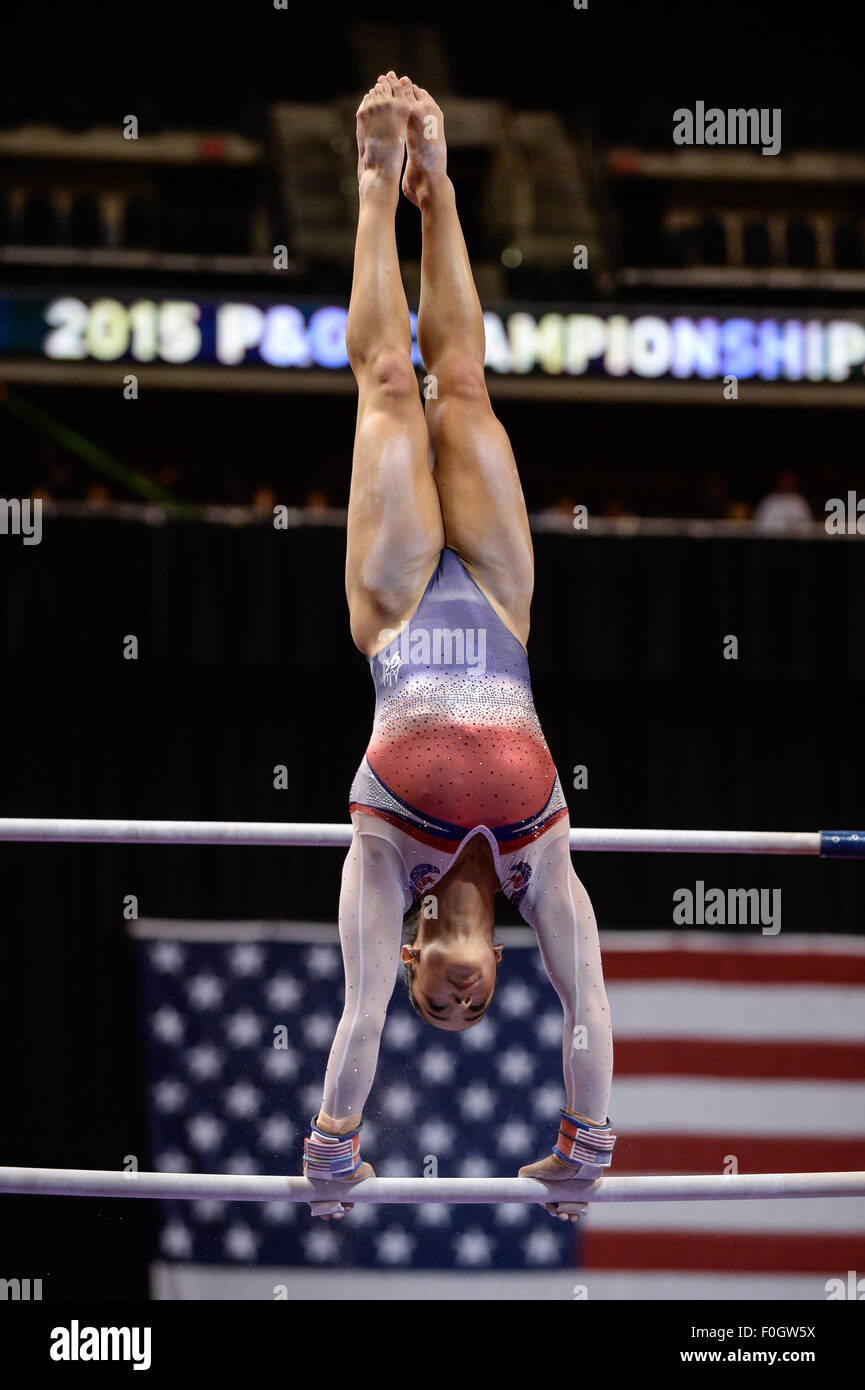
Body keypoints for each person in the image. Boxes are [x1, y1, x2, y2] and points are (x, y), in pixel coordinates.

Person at [302, 74, 615, 1223]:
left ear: (416, 960)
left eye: (439, 1006)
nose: (456, 1004)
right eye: (470, 1010)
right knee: (466, 386)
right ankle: (437, 190)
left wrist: (334, 1147)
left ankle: (374, 180)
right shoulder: (541, 864)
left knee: (391, 384)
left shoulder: (386, 868)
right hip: (497, 604)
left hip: (395, 614)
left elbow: (356, 1019)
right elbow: (587, 1004)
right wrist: (582, 1148)